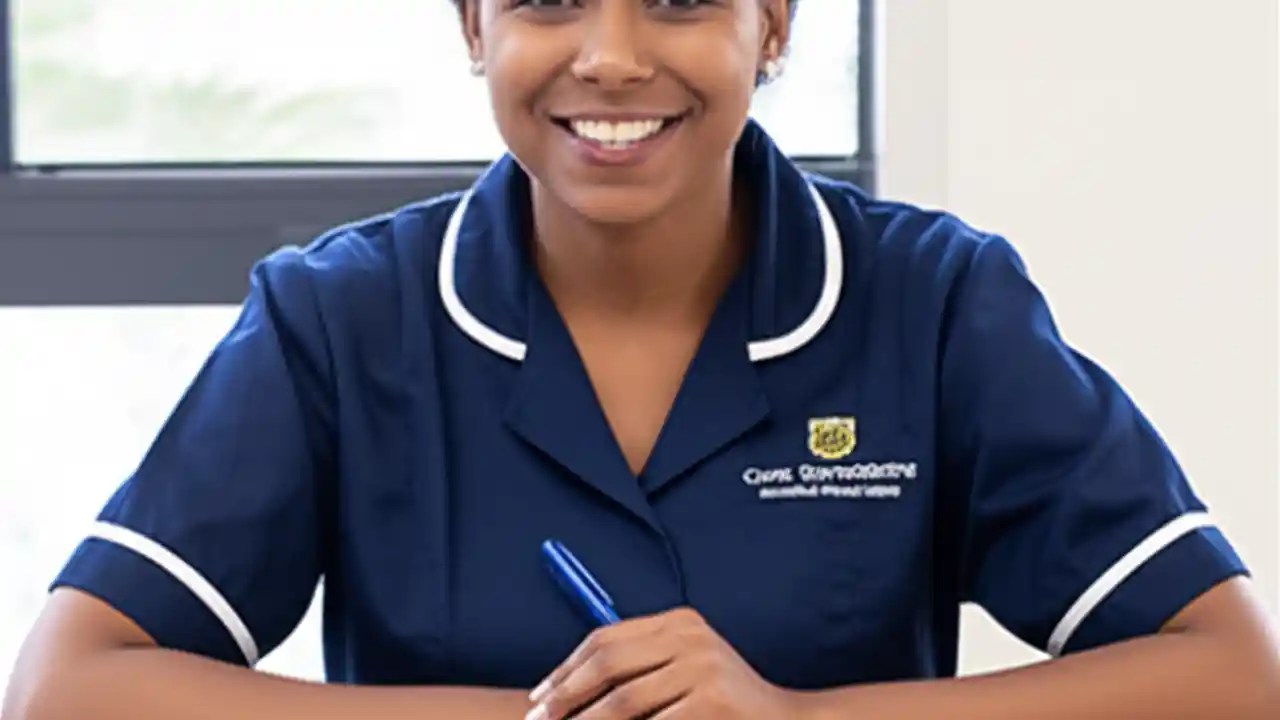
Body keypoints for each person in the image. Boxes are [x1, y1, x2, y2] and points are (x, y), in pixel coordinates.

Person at [5, 1, 1278, 718]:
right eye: (548, 0)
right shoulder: (339, 322)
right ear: (470, 24)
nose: (610, 55)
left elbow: (1227, 674)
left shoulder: (935, 303)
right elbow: (70, 688)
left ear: (771, 25)